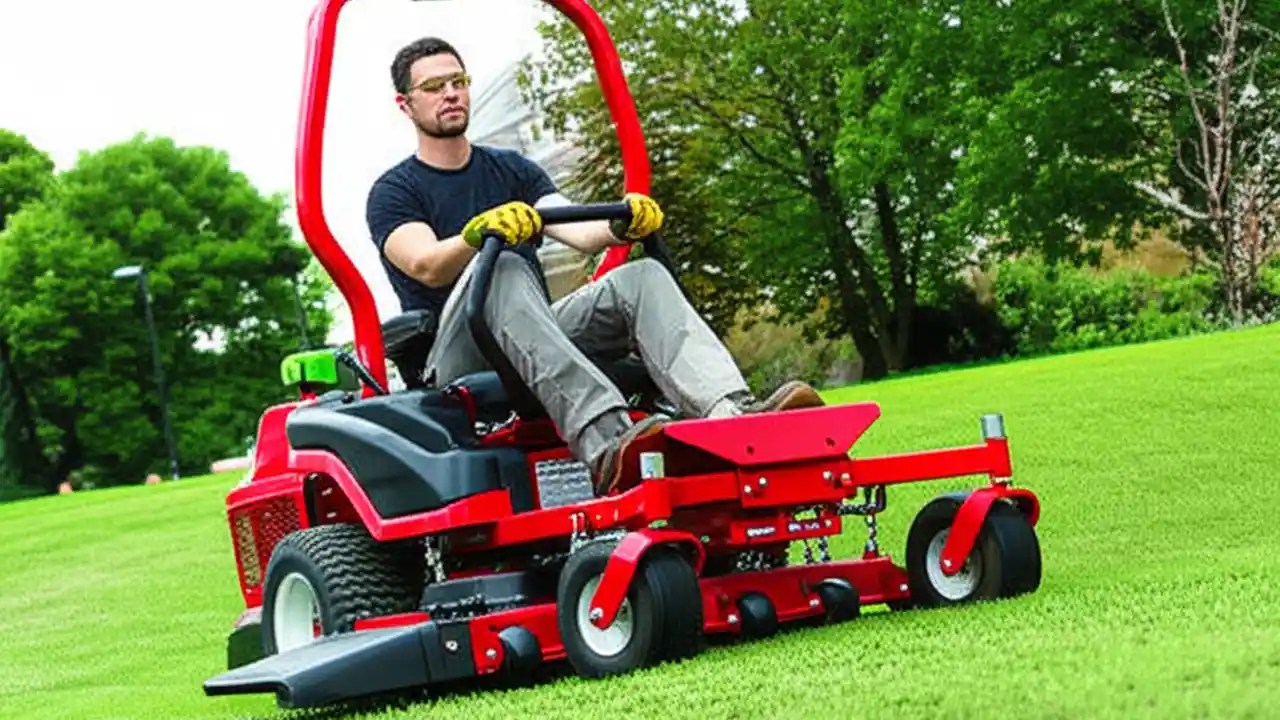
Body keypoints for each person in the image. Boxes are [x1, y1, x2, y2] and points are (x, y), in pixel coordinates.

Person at [365, 37, 824, 495]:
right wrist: (476, 236)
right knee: (501, 264)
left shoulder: (510, 170)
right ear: (406, 104)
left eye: (458, 81)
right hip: (458, 354)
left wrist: (622, 224)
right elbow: (425, 263)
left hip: (532, 330)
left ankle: (731, 415)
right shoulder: (395, 191)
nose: (450, 94)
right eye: (434, 87)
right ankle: (609, 440)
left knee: (641, 277)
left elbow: (577, 228)